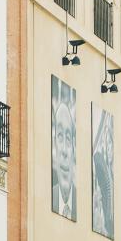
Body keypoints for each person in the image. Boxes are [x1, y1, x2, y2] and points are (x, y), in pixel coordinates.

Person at [52, 81, 76, 220]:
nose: (65, 151)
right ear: (54, 144)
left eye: (68, 138)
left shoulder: (84, 205)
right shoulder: (50, 195)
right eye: (60, 136)